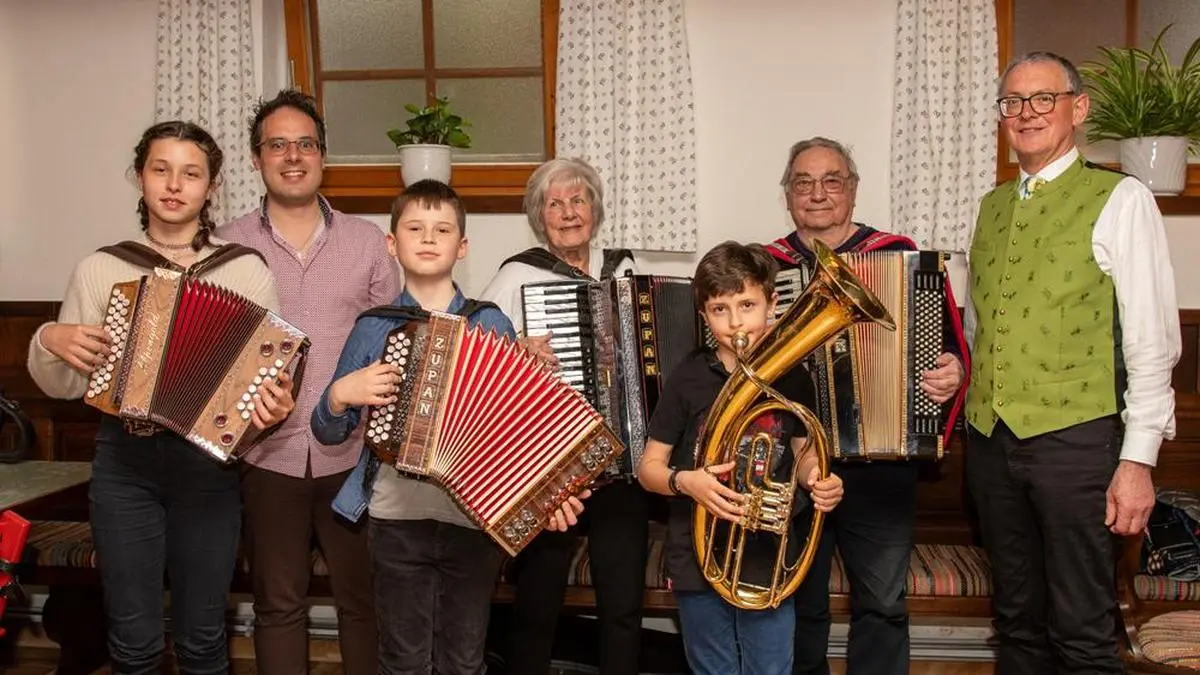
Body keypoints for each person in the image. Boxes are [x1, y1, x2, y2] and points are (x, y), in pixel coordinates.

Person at [27, 120, 296, 675]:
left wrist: (271, 411)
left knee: (203, 641)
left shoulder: (245, 271)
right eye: (160, 169)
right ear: (140, 178)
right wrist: (47, 339)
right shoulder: (101, 268)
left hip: (207, 469)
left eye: (191, 173)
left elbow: (265, 388)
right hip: (124, 464)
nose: (175, 184)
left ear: (211, 187)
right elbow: (64, 385)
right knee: (133, 641)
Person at [311, 179, 587, 675]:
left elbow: (520, 428)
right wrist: (339, 395)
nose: (428, 237)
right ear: (393, 244)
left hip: (472, 521)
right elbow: (328, 432)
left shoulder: (490, 324)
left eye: (442, 229)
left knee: (465, 659)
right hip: (395, 518)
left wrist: (549, 491)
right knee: (403, 660)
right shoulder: (374, 326)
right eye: (415, 228)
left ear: (461, 247)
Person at [964, 52, 1180, 674]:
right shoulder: (992, 206)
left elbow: (1152, 340)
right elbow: (987, 327)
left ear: (1077, 109)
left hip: (1077, 442)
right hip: (990, 443)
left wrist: (1137, 461)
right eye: (1012, 103)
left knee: (1083, 627)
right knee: (1016, 624)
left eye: (1042, 99)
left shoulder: (1122, 197)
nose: (1025, 114)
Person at [762, 137, 967, 675]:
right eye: (803, 182)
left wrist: (950, 375)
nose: (817, 193)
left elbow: (949, 347)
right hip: (794, 467)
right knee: (796, 604)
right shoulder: (767, 267)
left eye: (832, 180)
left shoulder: (899, 254)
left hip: (880, 462)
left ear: (852, 189)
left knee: (881, 604)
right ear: (787, 195)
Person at [217, 89, 399, 675]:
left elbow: (394, 343)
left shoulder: (368, 242)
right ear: (256, 157)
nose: (292, 156)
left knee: (362, 604)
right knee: (277, 606)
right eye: (277, 145)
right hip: (264, 457)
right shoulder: (224, 245)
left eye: (305, 144)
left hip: (352, 458)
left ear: (323, 155)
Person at [636, 241, 844, 675]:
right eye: (719, 309)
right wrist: (686, 482)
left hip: (768, 554)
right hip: (699, 554)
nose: (735, 323)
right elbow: (648, 469)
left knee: (771, 667)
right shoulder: (689, 377)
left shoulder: (792, 374)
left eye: (747, 305)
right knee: (714, 668)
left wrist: (817, 479)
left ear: (772, 303)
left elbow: (804, 450)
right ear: (703, 314)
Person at [479, 157, 648, 675]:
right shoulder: (517, 275)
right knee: (537, 600)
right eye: (555, 204)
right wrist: (516, 346)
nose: (569, 212)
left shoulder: (623, 270)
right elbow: (476, 351)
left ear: (594, 209)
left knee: (622, 603)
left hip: (621, 465)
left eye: (578, 201)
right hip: (550, 464)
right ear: (539, 216)